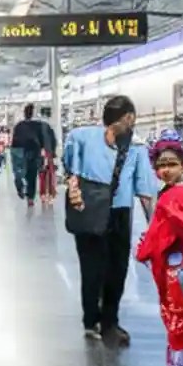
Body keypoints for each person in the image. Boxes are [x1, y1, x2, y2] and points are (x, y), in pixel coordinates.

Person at [63, 95, 157, 344]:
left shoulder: (79, 136)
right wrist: (155, 228)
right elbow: (146, 194)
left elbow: (69, 167)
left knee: (91, 267)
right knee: (115, 270)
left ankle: (92, 320)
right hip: (116, 213)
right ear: (129, 117)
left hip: (89, 209)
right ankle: (108, 323)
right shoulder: (136, 147)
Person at [134, 132, 183, 366]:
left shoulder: (180, 193)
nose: (165, 170)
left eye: (171, 164)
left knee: (180, 313)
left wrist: (148, 248)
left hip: (181, 263)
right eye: (161, 165)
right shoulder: (181, 189)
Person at [11, 104, 44, 205]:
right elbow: (42, 140)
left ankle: (19, 184)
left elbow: (14, 140)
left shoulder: (19, 125)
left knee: (19, 172)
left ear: (24, 113)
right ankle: (30, 198)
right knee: (32, 175)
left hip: (18, 150)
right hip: (33, 151)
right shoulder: (38, 125)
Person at [39, 118, 59, 204]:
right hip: (49, 154)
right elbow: (54, 142)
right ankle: (51, 195)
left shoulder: (38, 132)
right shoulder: (50, 131)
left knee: (42, 176)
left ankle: (43, 195)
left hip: (41, 154)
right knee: (51, 175)